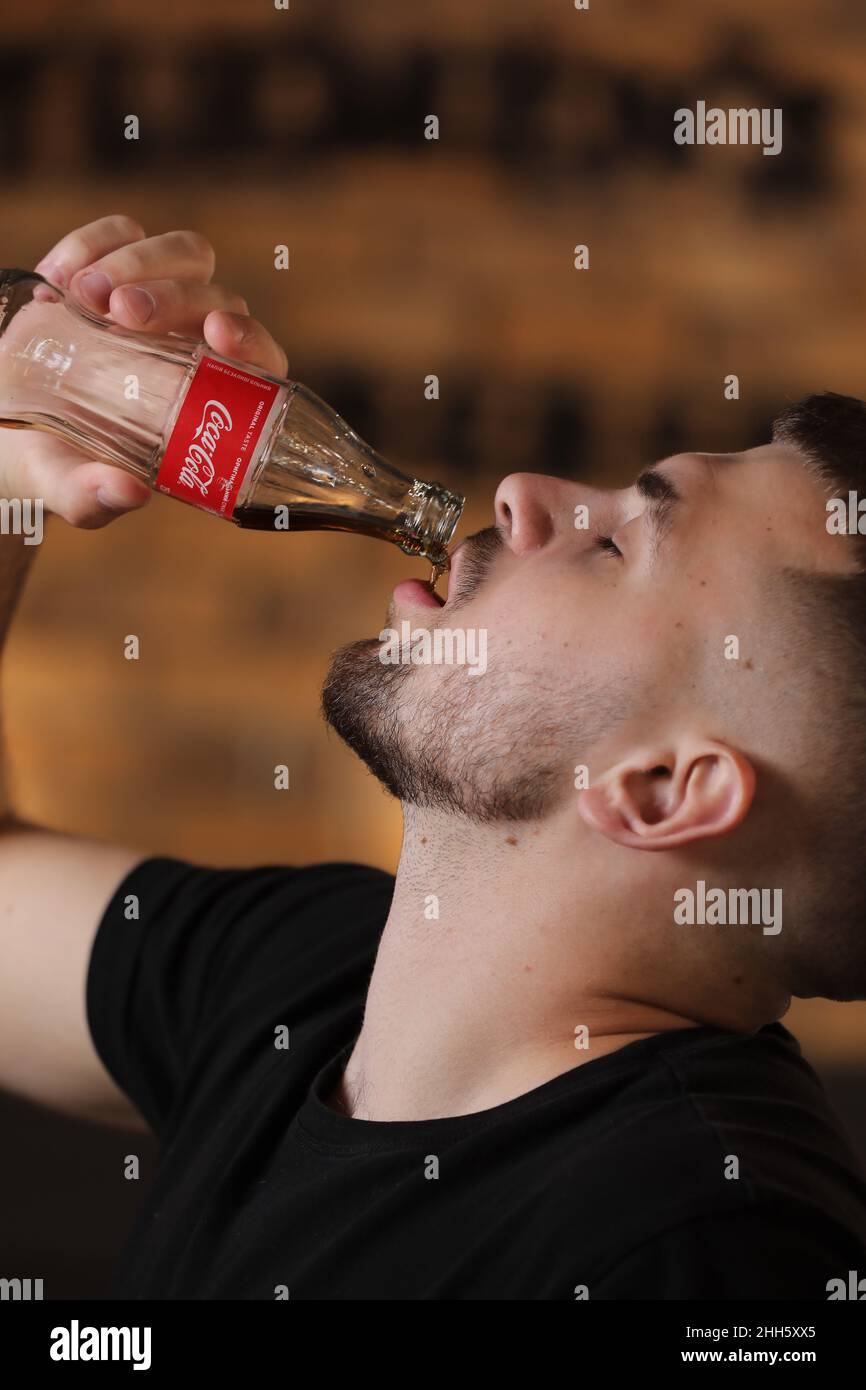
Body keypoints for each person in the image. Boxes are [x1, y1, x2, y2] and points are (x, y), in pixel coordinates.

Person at [2, 214, 866, 1301]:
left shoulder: (704, 1257)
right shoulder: (307, 977)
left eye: (610, 544)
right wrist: (13, 483)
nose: (521, 492)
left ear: (661, 790)